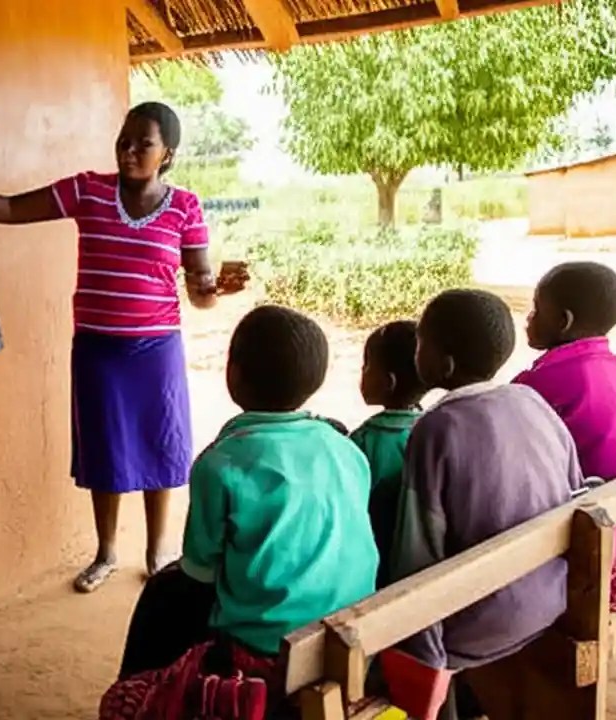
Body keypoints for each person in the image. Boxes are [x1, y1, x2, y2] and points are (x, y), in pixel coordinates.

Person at [0, 102, 248, 593]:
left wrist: (217, 290)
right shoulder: (87, 190)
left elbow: (199, 293)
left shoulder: (185, 208)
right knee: (106, 449)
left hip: (156, 350)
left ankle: (157, 551)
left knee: (159, 444)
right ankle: (106, 552)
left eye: (143, 144)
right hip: (98, 349)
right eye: (124, 140)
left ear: (167, 154)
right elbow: (9, 209)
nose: (129, 151)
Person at [101, 305, 378, 720]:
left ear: (233, 374)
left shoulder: (221, 464)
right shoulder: (346, 449)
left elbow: (199, 575)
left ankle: (145, 696)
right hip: (352, 634)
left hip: (264, 651)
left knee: (161, 595)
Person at [385, 289, 582, 719]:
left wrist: (420, 652)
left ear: (444, 364)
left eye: (421, 341)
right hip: (549, 596)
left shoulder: (435, 428)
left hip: (477, 627)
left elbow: (417, 553)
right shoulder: (531, 400)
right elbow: (574, 488)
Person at [515, 262, 616, 611]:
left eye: (537, 310)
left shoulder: (542, 382)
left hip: (603, 552)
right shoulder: (615, 367)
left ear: (563, 321)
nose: (528, 318)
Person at [349, 320, 427, 588]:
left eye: (366, 365)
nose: (361, 373)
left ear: (387, 382)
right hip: (420, 557)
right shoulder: (432, 429)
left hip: (379, 558)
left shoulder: (363, 441)